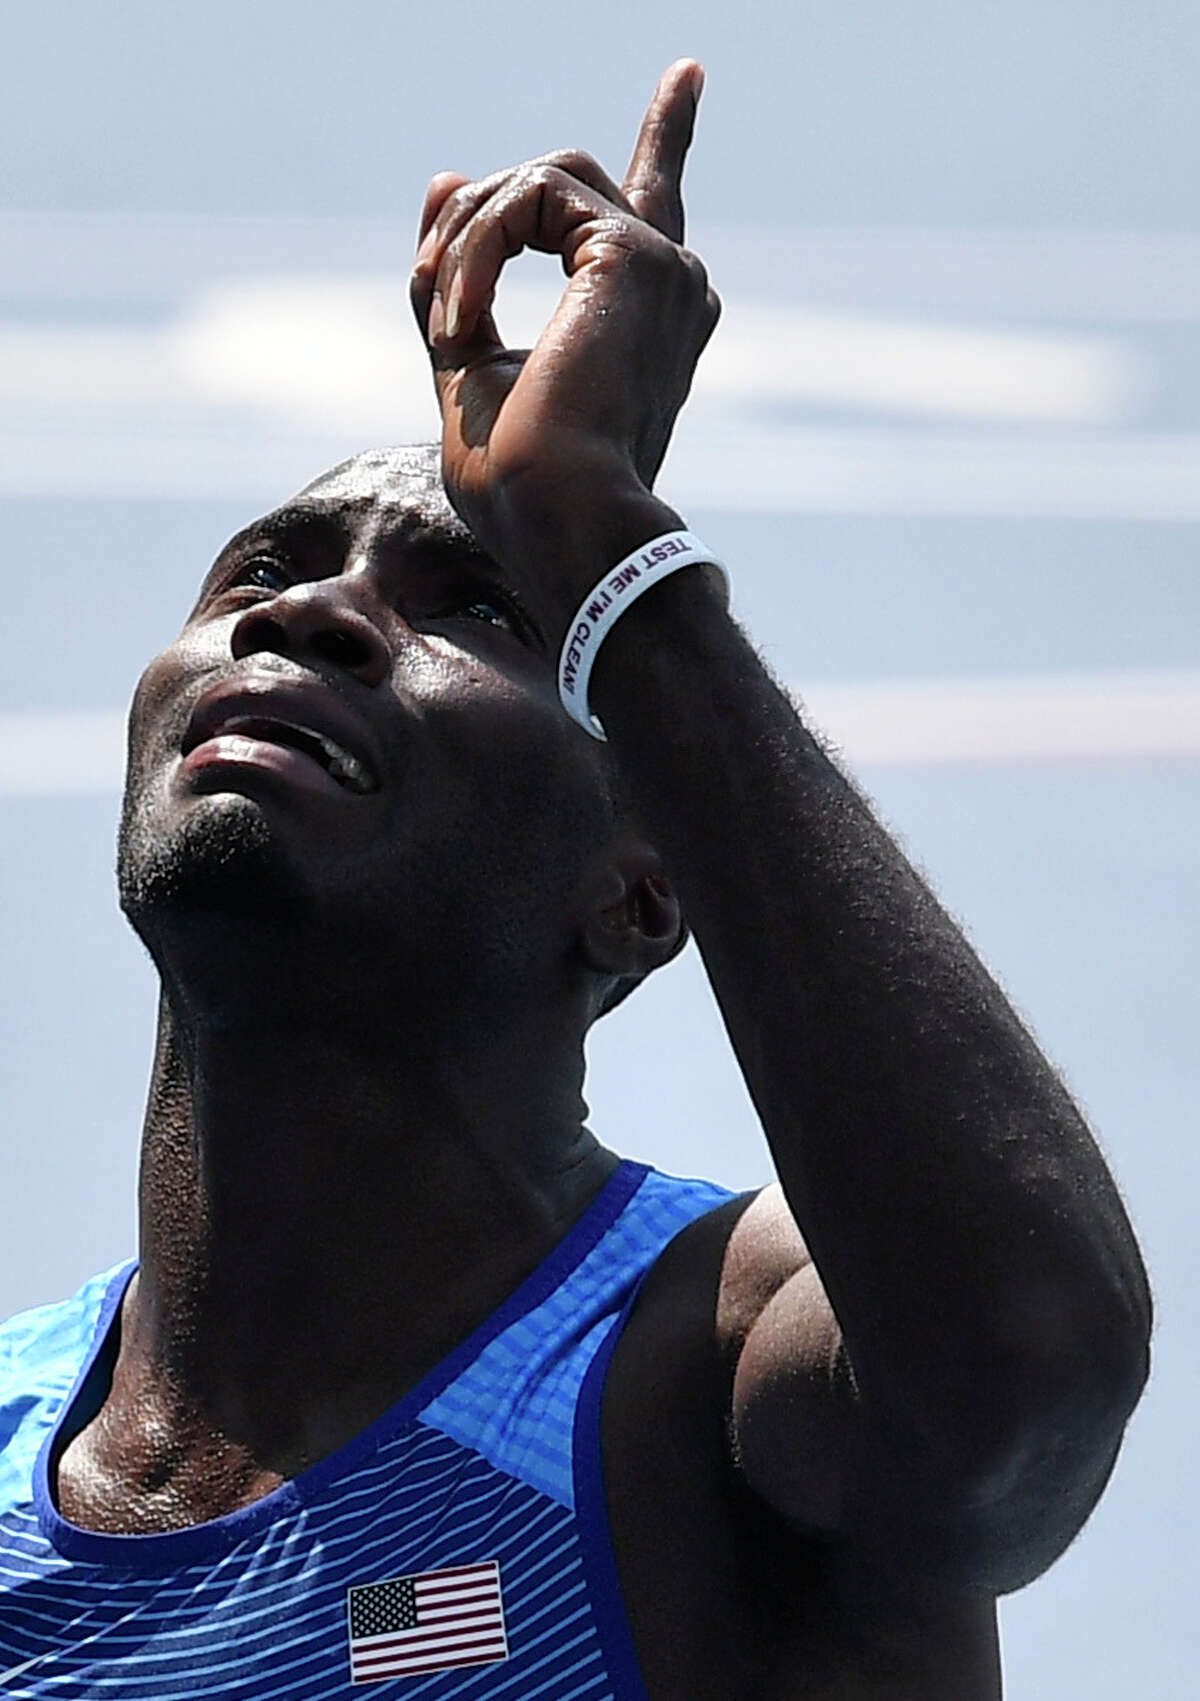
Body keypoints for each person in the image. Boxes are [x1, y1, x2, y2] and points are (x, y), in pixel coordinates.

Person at [0, 61, 1149, 1700]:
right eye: (264, 565)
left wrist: (594, 533)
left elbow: (1025, 1377)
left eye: (472, 610)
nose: (307, 614)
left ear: (641, 894)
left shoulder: (696, 1380)